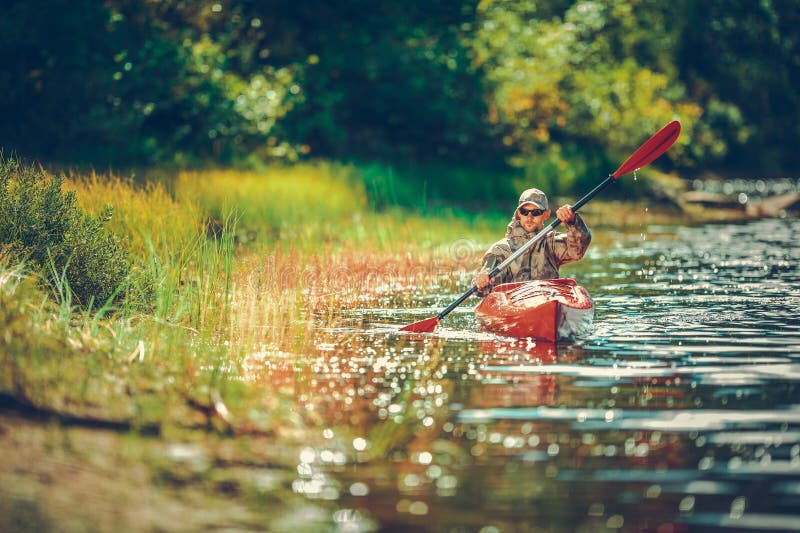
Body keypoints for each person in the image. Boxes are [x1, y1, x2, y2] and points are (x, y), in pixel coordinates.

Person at [473, 188, 591, 296]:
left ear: (546, 214)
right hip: (514, 303)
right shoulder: (501, 249)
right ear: (519, 213)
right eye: (524, 212)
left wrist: (573, 221)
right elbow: (482, 288)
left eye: (535, 212)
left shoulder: (552, 243)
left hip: (548, 298)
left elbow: (578, 250)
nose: (529, 217)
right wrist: (482, 280)